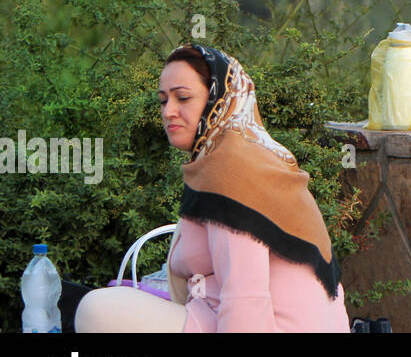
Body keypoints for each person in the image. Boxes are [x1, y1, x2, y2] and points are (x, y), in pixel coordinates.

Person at [75, 45, 349, 332]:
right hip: (228, 315)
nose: (168, 111)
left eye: (183, 97)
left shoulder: (233, 170)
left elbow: (247, 298)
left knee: (97, 310)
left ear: (219, 98)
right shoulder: (246, 156)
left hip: (270, 326)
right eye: (163, 100)